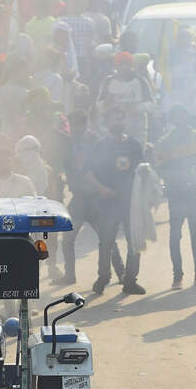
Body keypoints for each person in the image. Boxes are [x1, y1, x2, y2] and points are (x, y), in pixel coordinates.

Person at [155, 106, 196, 289]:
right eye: (177, 117)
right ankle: (177, 276)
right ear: (173, 120)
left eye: (184, 116)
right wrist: (175, 176)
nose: (182, 120)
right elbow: (160, 168)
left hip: (194, 192)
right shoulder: (165, 142)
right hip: (177, 194)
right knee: (176, 236)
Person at [86, 107, 144, 295]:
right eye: (113, 118)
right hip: (108, 202)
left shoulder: (134, 145)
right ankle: (103, 278)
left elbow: (143, 172)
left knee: (134, 241)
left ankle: (130, 280)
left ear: (125, 120)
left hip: (130, 202)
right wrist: (102, 190)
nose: (117, 121)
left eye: (121, 117)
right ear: (107, 122)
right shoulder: (100, 145)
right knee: (106, 241)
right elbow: (88, 172)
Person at [61, 111, 125, 285]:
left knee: (107, 238)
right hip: (79, 198)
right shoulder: (68, 143)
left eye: (78, 124)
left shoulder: (96, 142)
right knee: (68, 239)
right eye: (73, 125)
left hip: (96, 198)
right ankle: (70, 275)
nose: (75, 129)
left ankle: (121, 272)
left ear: (84, 125)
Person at [96, 51, 153, 145]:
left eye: (127, 64)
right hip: (115, 130)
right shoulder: (108, 81)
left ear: (132, 65)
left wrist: (137, 108)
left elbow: (152, 104)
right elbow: (98, 106)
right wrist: (106, 103)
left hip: (137, 129)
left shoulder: (140, 81)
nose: (124, 67)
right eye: (121, 64)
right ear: (116, 66)